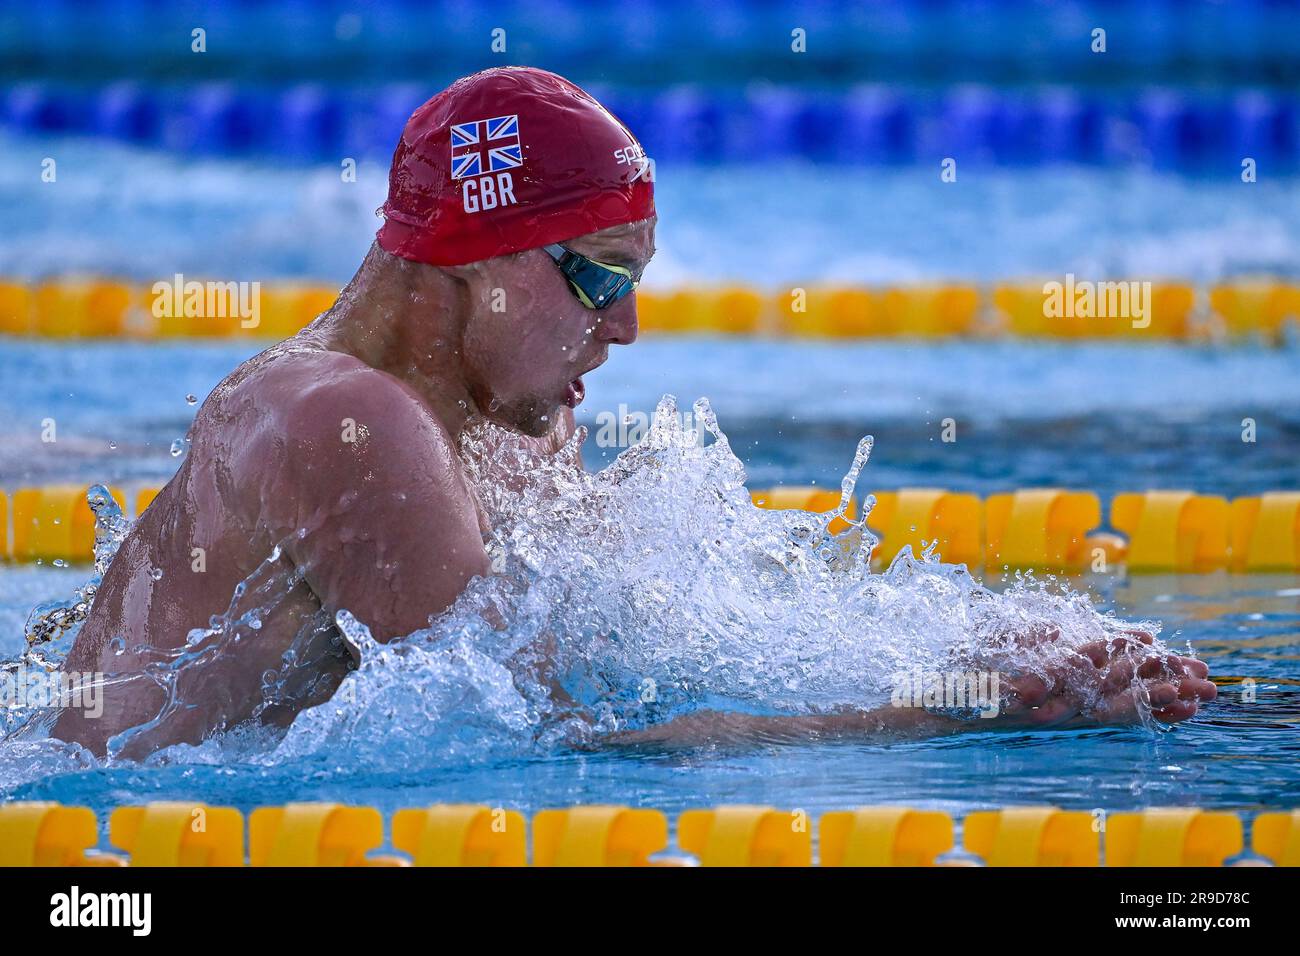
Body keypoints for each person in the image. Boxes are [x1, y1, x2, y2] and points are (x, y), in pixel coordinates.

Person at [52, 67, 1214, 758]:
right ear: (485, 259)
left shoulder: (506, 412)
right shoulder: (342, 422)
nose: (625, 329)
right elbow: (544, 746)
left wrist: (974, 650)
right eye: (602, 278)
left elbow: (633, 643)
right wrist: (935, 718)